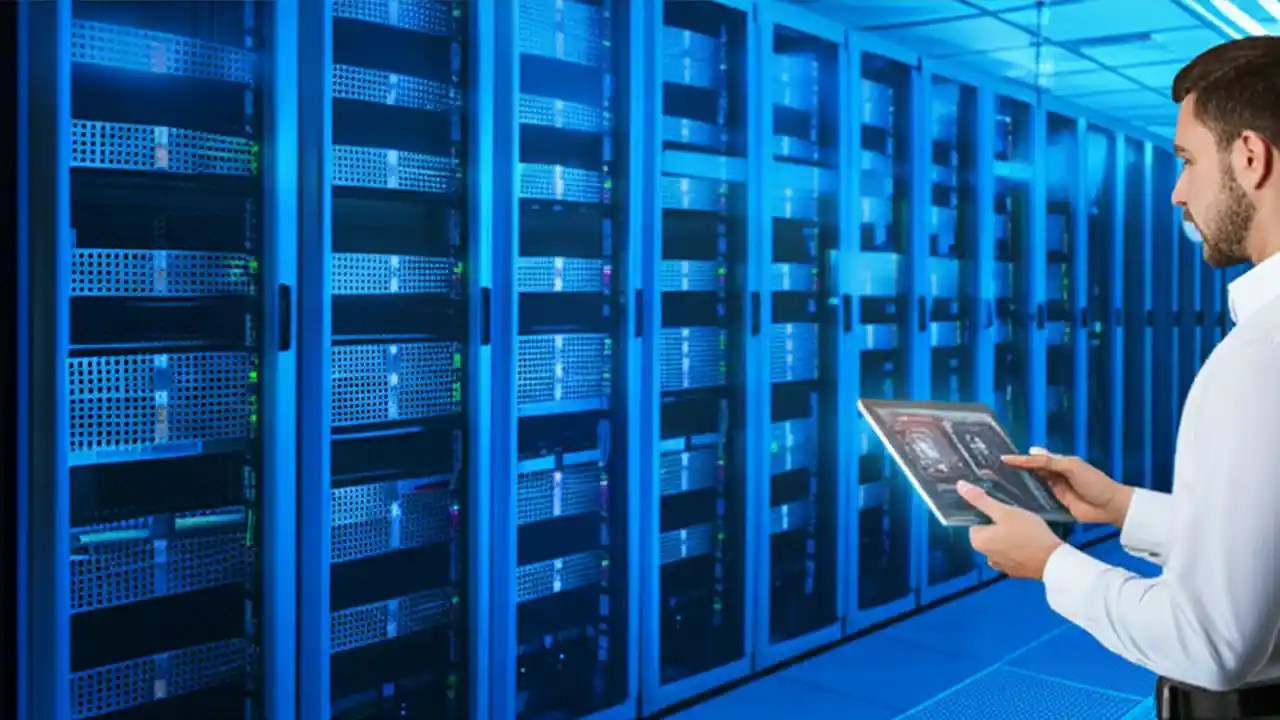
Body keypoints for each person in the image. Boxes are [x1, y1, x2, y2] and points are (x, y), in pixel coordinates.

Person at [956, 36, 1280, 719]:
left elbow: (1211, 644)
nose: (1177, 192)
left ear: (1250, 158)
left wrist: (1049, 563)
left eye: (1189, 161)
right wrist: (1122, 507)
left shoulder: (1256, 363)